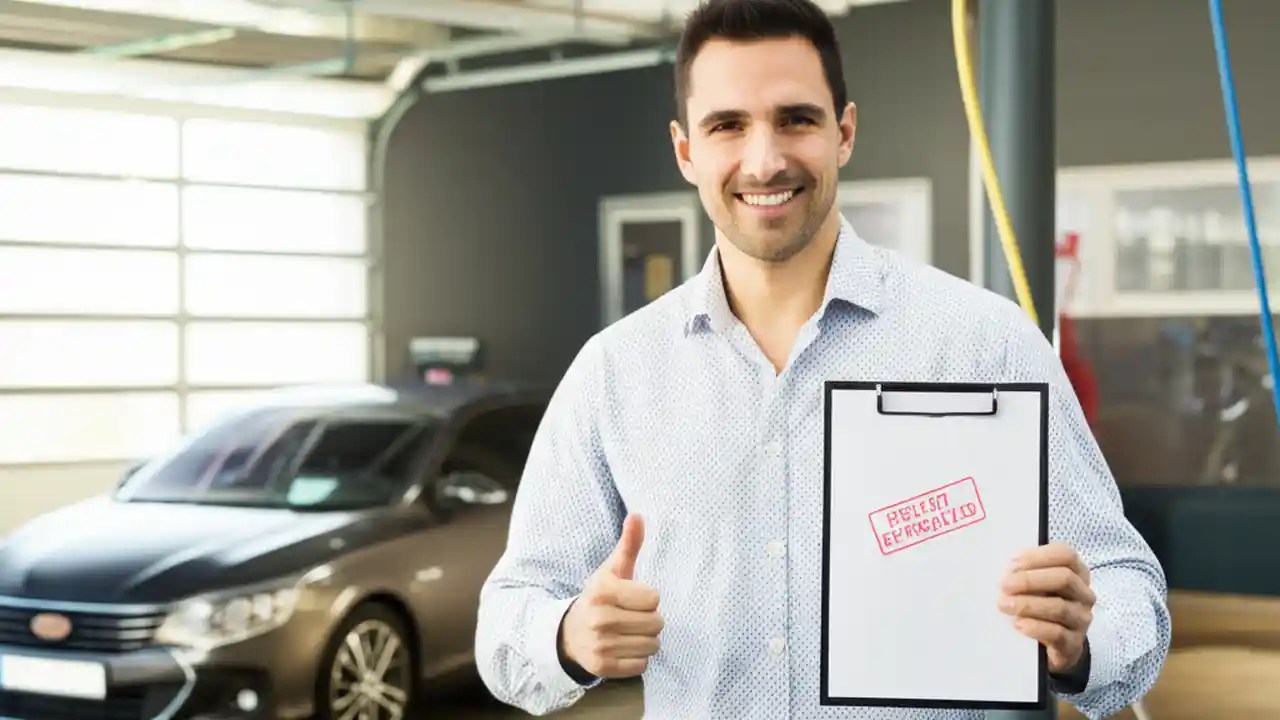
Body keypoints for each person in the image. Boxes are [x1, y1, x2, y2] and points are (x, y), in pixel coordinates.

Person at [474, 0, 1171, 717]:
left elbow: (1129, 590)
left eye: (796, 119)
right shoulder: (616, 374)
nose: (765, 158)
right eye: (728, 125)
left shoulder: (982, 342)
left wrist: (1081, 640)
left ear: (844, 131)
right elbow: (505, 625)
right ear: (686, 151)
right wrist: (566, 636)